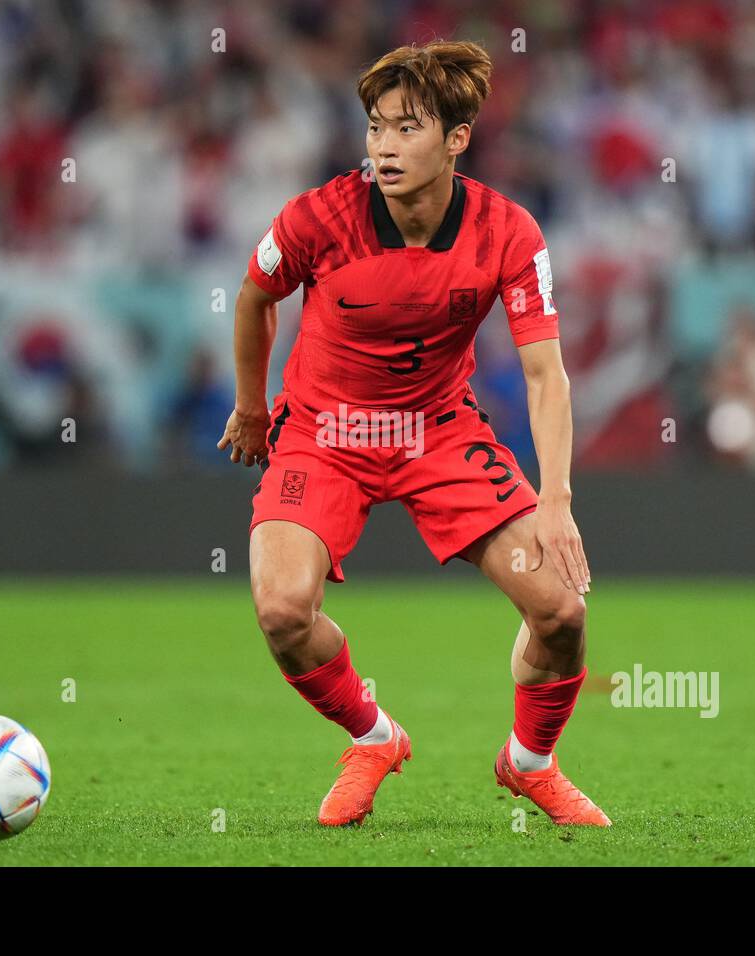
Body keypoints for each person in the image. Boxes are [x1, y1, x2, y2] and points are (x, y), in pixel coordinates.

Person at [217, 41, 609, 827]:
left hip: (438, 430)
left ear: (456, 140)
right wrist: (253, 407)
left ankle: (529, 763)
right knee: (282, 610)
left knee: (562, 612)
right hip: (325, 431)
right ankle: (374, 736)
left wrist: (557, 499)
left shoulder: (509, 232)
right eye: (375, 128)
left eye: (406, 129)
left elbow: (545, 375)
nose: (385, 147)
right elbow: (253, 300)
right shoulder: (317, 217)